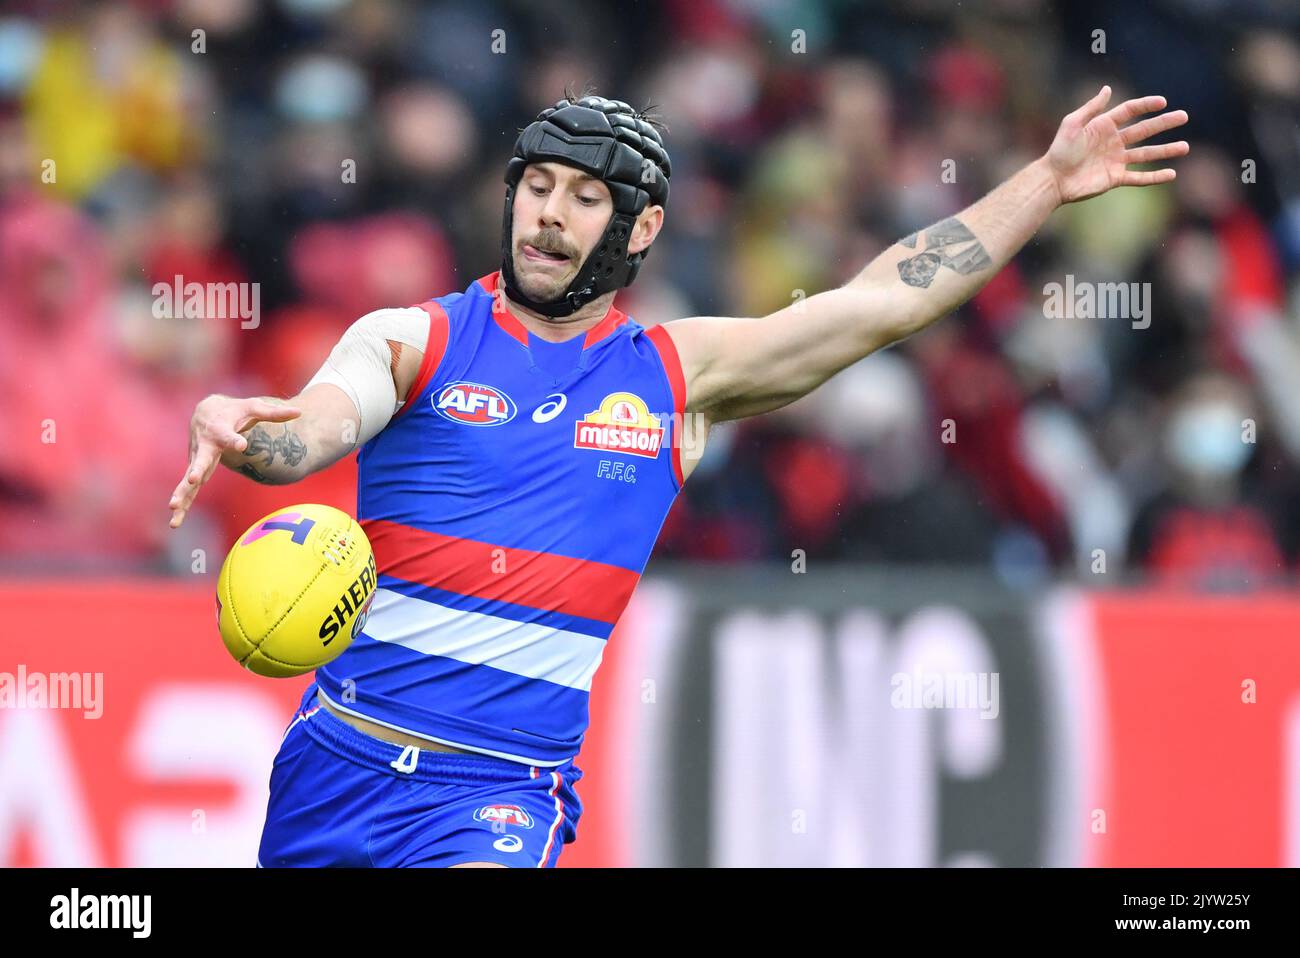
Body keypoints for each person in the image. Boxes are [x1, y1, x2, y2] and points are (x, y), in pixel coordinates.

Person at [168, 88, 1188, 867]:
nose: (547, 216)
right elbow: (313, 428)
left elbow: (885, 301)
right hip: (333, 763)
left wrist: (1046, 181)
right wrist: (252, 434)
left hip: (497, 795)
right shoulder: (416, 337)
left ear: (641, 228)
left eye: (582, 196)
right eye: (535, 186)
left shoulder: (677, 375)